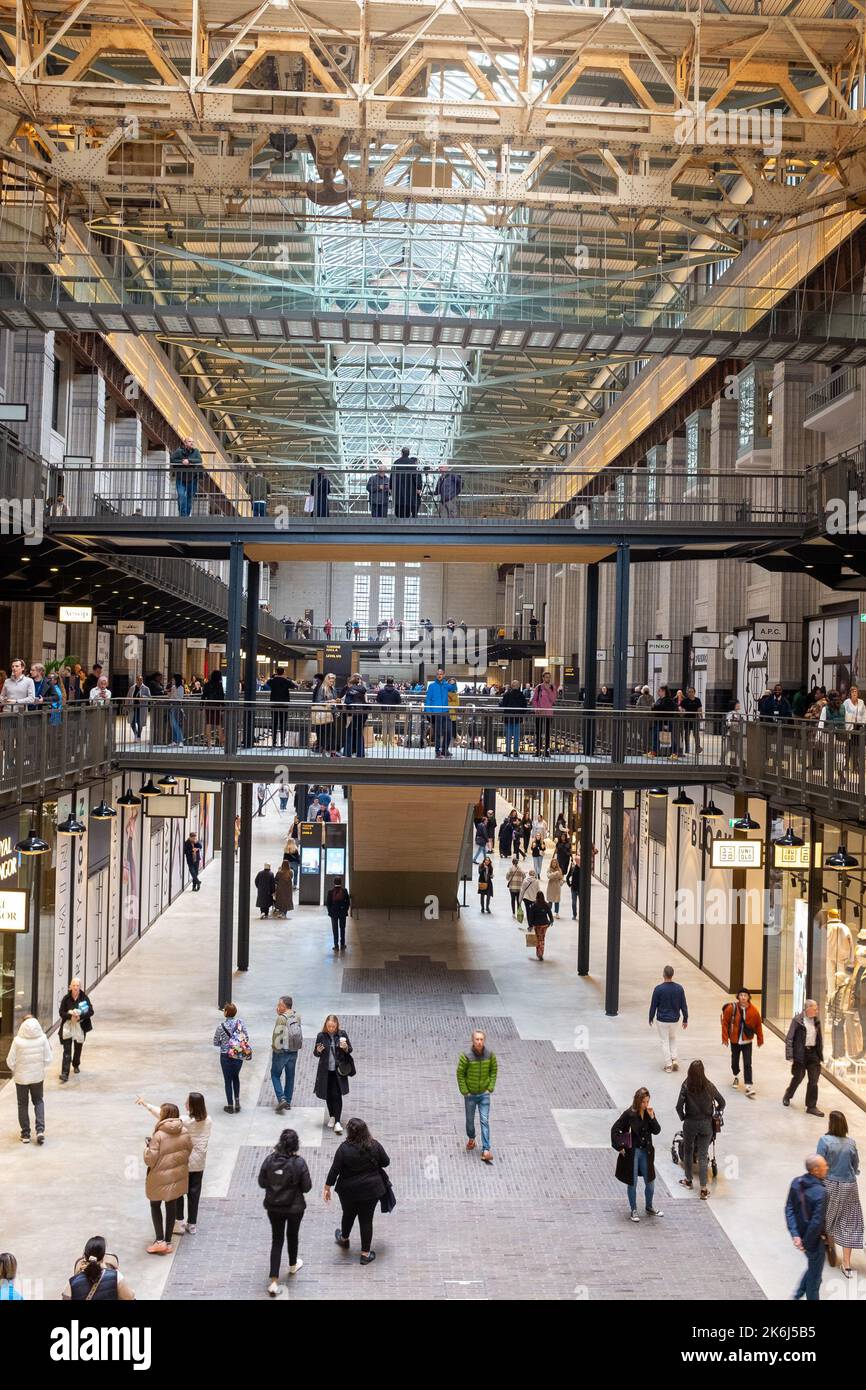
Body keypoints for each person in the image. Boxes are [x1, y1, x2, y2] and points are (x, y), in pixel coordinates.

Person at [137, 1092, 211, 1234]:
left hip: (185, 1162)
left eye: (187, 1102)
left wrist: (146, 1104)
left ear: (192, 1106)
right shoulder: (208, 1121)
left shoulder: (184, 1121)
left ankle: (180, 1221)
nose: (185, 1104)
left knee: (179, 1192)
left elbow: (163, 1114)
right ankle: (192, 1223)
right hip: (200, 1163)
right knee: (194, 1194)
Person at [325, 1117, 390, 1265]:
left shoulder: (343, 1149)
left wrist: (327, 1187)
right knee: (366, 1220)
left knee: (348, 1214)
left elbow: (334, 1170)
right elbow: (386, 1162)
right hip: (371, 1191)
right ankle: (365, 1254)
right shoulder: (374, 1145)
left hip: (348, 1191)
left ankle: (344, 1238)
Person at [259, 1128, 312, 1292]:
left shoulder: (269, 1160)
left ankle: (274, 1280)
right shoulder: (299, 1163)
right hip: (295, 1208)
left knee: (277, 1239)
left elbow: (262, 1182)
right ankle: (292, 1265)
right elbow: (307, 1187)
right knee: (292, 1235)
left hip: (274, 1207)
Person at [142, 1102, 192, 1254]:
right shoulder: (184, 1131)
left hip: (159, 1176)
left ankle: (159, 1240)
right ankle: (168, 1242)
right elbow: (189, 1150)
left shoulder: (158, 1135)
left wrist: (147, 1148)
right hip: (177, 1175)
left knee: (155, 1205)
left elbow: (150, 1160)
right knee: (171, 1206)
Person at [817, 1112, 862, 1277]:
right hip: (849, 1186)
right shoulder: (851, 1143)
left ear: (831, 1124)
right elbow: (855, 1164)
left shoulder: (824, 1141)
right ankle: (847, 1264)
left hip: (829, 1184)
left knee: (827, 1217)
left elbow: (819, 1163)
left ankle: (828, 1241)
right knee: (849, 1221)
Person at [611, 1087, 664, 1223]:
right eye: (644, 1102)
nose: (646, 1105)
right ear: (638, 1101)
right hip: (633, 1153)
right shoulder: (629, 1114)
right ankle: (633, 1209)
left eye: (647, 1101)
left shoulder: (648, 1113)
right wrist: (620, 1147)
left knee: (650, 1182)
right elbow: (615, 1129)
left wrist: (652, 1117)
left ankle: (649, 1206)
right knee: (632, 1182)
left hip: (646, 1152)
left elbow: (657, 1130)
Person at [675, 1060, 725, 1200]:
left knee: (688, 1150)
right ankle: (703, 1189)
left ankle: (689, 1181)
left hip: (690, 1123)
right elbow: (722, 1102)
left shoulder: (686, 1086)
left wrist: (683, 1117)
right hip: (706, 1124)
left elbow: (678, 1106)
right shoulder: (709, 1086)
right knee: (703, 1155)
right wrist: (716, 1113)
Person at [785, 1155, 829, 1300]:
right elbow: (816, 1222)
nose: (827, 1167)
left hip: (802, 1237)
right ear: (816, 1170)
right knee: (814, 1281)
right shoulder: (822, 1193)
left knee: (813, 1269)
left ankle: (796, 1296)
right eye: (824, 1165)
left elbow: (789, 1209)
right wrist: (807, 1244)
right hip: (814, 1241)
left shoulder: (796, 1182)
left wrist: (795, 1235)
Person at [7, 1014, 51, 1144]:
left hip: (21, 1078)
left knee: (22, 1104)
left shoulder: (17, 1041)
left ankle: (25, 1134)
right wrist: (40, 1067)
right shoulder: (43, 1039)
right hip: (37, 1077)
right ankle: (40, 1130)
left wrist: (17, 1070)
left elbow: (10, 1061)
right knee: (38, 1101)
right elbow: (48, 1059)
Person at [457, 1029, 497, 1163]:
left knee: (484, 1121)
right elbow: (460, 1074)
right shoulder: (466, 1056)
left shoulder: (490, 1055)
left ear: (484, 1040)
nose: (479, 1042)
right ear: (473, 1041)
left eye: (481, 1039)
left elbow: (493, 1070)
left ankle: (486, 1149)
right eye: (477, 1039)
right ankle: (472, 1138)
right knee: (469, 1121)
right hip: (470, 1095)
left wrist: (490, 1088)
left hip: (484, 1094)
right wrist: (465, 1091)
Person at [783, 999, 824, 1116]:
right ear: (808, 1009)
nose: (817, 1011)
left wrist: (820, 1054)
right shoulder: (797, 1021)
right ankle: (788, 1094)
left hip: (813, 1054)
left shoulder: (817, 1021)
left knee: (814, 1080)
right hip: (800, 1054)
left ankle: (811, 1106)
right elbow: (789, 1038)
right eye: (815, 1009)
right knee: (798, 1077)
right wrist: (790, 1055)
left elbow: (819, 1038)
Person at [721, 988, 764, 1097]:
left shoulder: (754, 1011)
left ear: (749, 997)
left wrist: (760, 1038)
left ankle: (748, 1086)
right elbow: (725, 1023)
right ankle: (736, 1076)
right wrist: (725, 1037)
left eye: (745, 995)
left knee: (747, 1063)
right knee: (735, 1061)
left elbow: (758, 1025)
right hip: (734, 1040)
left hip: (747, 1041)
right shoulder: (731, 1008)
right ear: (738, 997)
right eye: (741, 995)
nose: (743, 997)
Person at [314, 1015, 353, 1133]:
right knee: (328, 1095)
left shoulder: (342, 1034)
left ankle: (337, 1121)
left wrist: (345, 1047)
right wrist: (318, 1051)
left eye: (333, 1026)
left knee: (337, 1095)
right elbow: (315, 1053)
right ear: (326, 1025)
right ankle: (332, 1116)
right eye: (329, 1026)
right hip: (325, 1071)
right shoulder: (321, 1036)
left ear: (337, 1025)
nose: (331, 1028)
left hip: (338, 1071)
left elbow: (350, 1050)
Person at [61, 1238, 135, 1301]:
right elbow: (130, 1297)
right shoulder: (116, 1276)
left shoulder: (72, 1282)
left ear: (84, 1257)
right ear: (103, 1257)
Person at [648, 965, 688, 1072]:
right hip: (675, 1020)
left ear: (663, 974)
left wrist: (650, 1017)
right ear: (672, 974)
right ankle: (674, 1058)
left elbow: (653, 1005)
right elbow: (683, 1005)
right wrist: (685, 1019)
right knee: (672, 1037)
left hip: (662, 1020)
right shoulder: (679, 988)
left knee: (664, 1041)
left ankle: (668, 1064)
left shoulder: (658, 989)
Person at [213, 1002, 251, 1113]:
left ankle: (230, 1105)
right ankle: (237, 1102)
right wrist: (236, 1044)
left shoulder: (221, 1027)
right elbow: (246, 1037)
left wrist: (225, 1044)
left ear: (225, 1013)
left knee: (227, 1080)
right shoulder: (240, 1023)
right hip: (238, 1054)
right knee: (236, 1077)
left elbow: (215, 1042)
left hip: (225, 1056)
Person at [58, 977, 94, 1083]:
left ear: (80, 987)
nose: (75, 988)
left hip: (80, 1027)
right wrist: (70, 1016)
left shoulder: (84, 998)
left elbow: (91, 1011)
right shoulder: (66, 998)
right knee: (67, 1050)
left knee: (78, 1048)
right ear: (70, 986)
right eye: (73, 985)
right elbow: (61, 1012)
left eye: (77, 986)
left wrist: (80, 1016)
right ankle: (65, 1073)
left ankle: (76, 1064)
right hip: (68, 1027)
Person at [271, 996, 303, 1113]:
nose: (278, 1007)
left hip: (281, 1052)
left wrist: (275, 1049)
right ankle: (288, 1102)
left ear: (284, 1006)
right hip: (294, 1051)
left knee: (275, 1074)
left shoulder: (281, 1018)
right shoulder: (297, 1016)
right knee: (290, 1076)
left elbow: (277, 1037)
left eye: (279, 1005)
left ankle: (281, 1098)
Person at [425, 666, 457, 757]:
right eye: (438, 674)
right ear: (436, 675)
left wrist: (453, 682)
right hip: (436, 713)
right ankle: (437, 751)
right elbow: (428, 700)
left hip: (446, 712)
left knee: (448, 732)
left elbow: (454, 689)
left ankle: (445, 750)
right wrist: (429, 712)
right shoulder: (431, 686)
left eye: (441, 674)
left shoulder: (446, 685)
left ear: (444, 675)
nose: (439, 675)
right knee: (438, 733)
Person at [170, 436, 203, 516]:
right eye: (189, 441)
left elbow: (199, 460)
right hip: (181, 478)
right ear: (185, 443)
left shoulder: (196, 451)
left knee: (190, 497)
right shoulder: (179, 451)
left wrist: (189, 461)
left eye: (192, 441)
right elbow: (172, 460)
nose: (192, 443)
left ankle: (186, 515)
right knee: (181, 495)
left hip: (192, 478)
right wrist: (182, 461)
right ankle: (182, 515)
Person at [530, 669, 558, 757]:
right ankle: (538, 751)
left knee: (547, 732)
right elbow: (534, 700)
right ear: (543, 678)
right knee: (538, 732)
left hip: (549, 713)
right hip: (539, 712)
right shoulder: (538, 687)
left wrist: (548, 690)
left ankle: (546, 751)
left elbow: (553, 700)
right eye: (546, 677)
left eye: (549, 677)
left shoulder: (552, 687)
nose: (548, 679)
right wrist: (536, 709)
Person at [342, 674, 368, 757]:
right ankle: (360, 753)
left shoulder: (350, 690)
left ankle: (347, 753)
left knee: (349, 733)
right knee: (360, 733)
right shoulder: (363, 689)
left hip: (352, 714)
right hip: (362, 713)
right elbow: (365, 701)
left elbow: (347, 702)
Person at [392, 447, 422, 518]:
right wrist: (418, 487)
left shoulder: (396, 463)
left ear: (401, 453)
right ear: (408, 454)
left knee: (399, 512)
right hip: (409, 492)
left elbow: (392, 476)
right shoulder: (412, 463)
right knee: (407, 512)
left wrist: (391, 487)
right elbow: (415, 476)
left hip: (398, 492)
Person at [500, 679, 527, 758]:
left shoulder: (506, 694)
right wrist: (523, 717)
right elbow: (524, 707)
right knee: (516, 735)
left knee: (508, 735)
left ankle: (508, 751)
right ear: (518, 686)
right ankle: (516, 752)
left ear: (511, 686)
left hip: (508, 717)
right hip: (518, 718)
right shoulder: (521, 695)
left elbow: (503, 706)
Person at [267, 667, 293, 746]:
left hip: (274, 704)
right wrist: (286, 678)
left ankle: (274, 742)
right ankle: (282, 742)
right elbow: (294, 685)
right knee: (283, 723)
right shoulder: (286, 681)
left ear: (276, 672)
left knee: (274, 723)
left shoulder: (272, 681)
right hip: (284, 705)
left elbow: (267, 683)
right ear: (283, 672)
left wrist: (273, 676)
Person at [325, 877, 351, 951]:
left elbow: (328, 904)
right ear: (341, 882)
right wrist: (345, 910)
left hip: (334, 913)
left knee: (335, 929)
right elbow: (348, 902)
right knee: (342, 928)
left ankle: (336, 945)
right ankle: (342, 945)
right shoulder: (345, 891)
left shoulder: (330, 892)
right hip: (342, 912)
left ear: (334, 883)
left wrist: (330, 912)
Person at [527, 888, 554, 960]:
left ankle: (539, 953)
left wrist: (530, 925)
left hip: (537, 925)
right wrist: (551, 921)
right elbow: (550, 913)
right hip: (545, 924)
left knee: (538, 939)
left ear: (536, 897)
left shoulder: (534, 905)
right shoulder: (546, 904)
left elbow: (531, 916)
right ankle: (541, 953)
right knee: (542, 938)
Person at [375, 675, 402, 747]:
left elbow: (378, 700)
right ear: (393, 683)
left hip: (384, 710)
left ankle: (384, 743)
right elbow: (399, 701)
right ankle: (392, 742)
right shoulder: (396, 692)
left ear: (386, 682)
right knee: (392, 726)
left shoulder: (381, 691)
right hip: (393, 711)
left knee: (384, 726)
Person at [202, 668, 225, 748]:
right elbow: (222, 696)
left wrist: (201, 705)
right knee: (218, 725)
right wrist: (223, 707)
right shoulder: (219, 685)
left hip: (208, 705)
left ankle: (209, 744)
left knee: (208, 724)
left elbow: (203, 695)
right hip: (217, 706)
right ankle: (222, 744)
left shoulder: (207, 684)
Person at [127, 673, 150, 741]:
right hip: (133, 707)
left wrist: (144, 697)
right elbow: (128, 697)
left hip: (141, 708)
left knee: (140, 722)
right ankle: (136, 734)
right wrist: (127, 706)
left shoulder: (146, 688)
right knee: (132, 722)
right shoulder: (132, 688)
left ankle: (139, 736)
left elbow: (149, 697)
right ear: (136, 680)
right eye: (138, 680)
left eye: (141, 680)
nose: (140, 681)